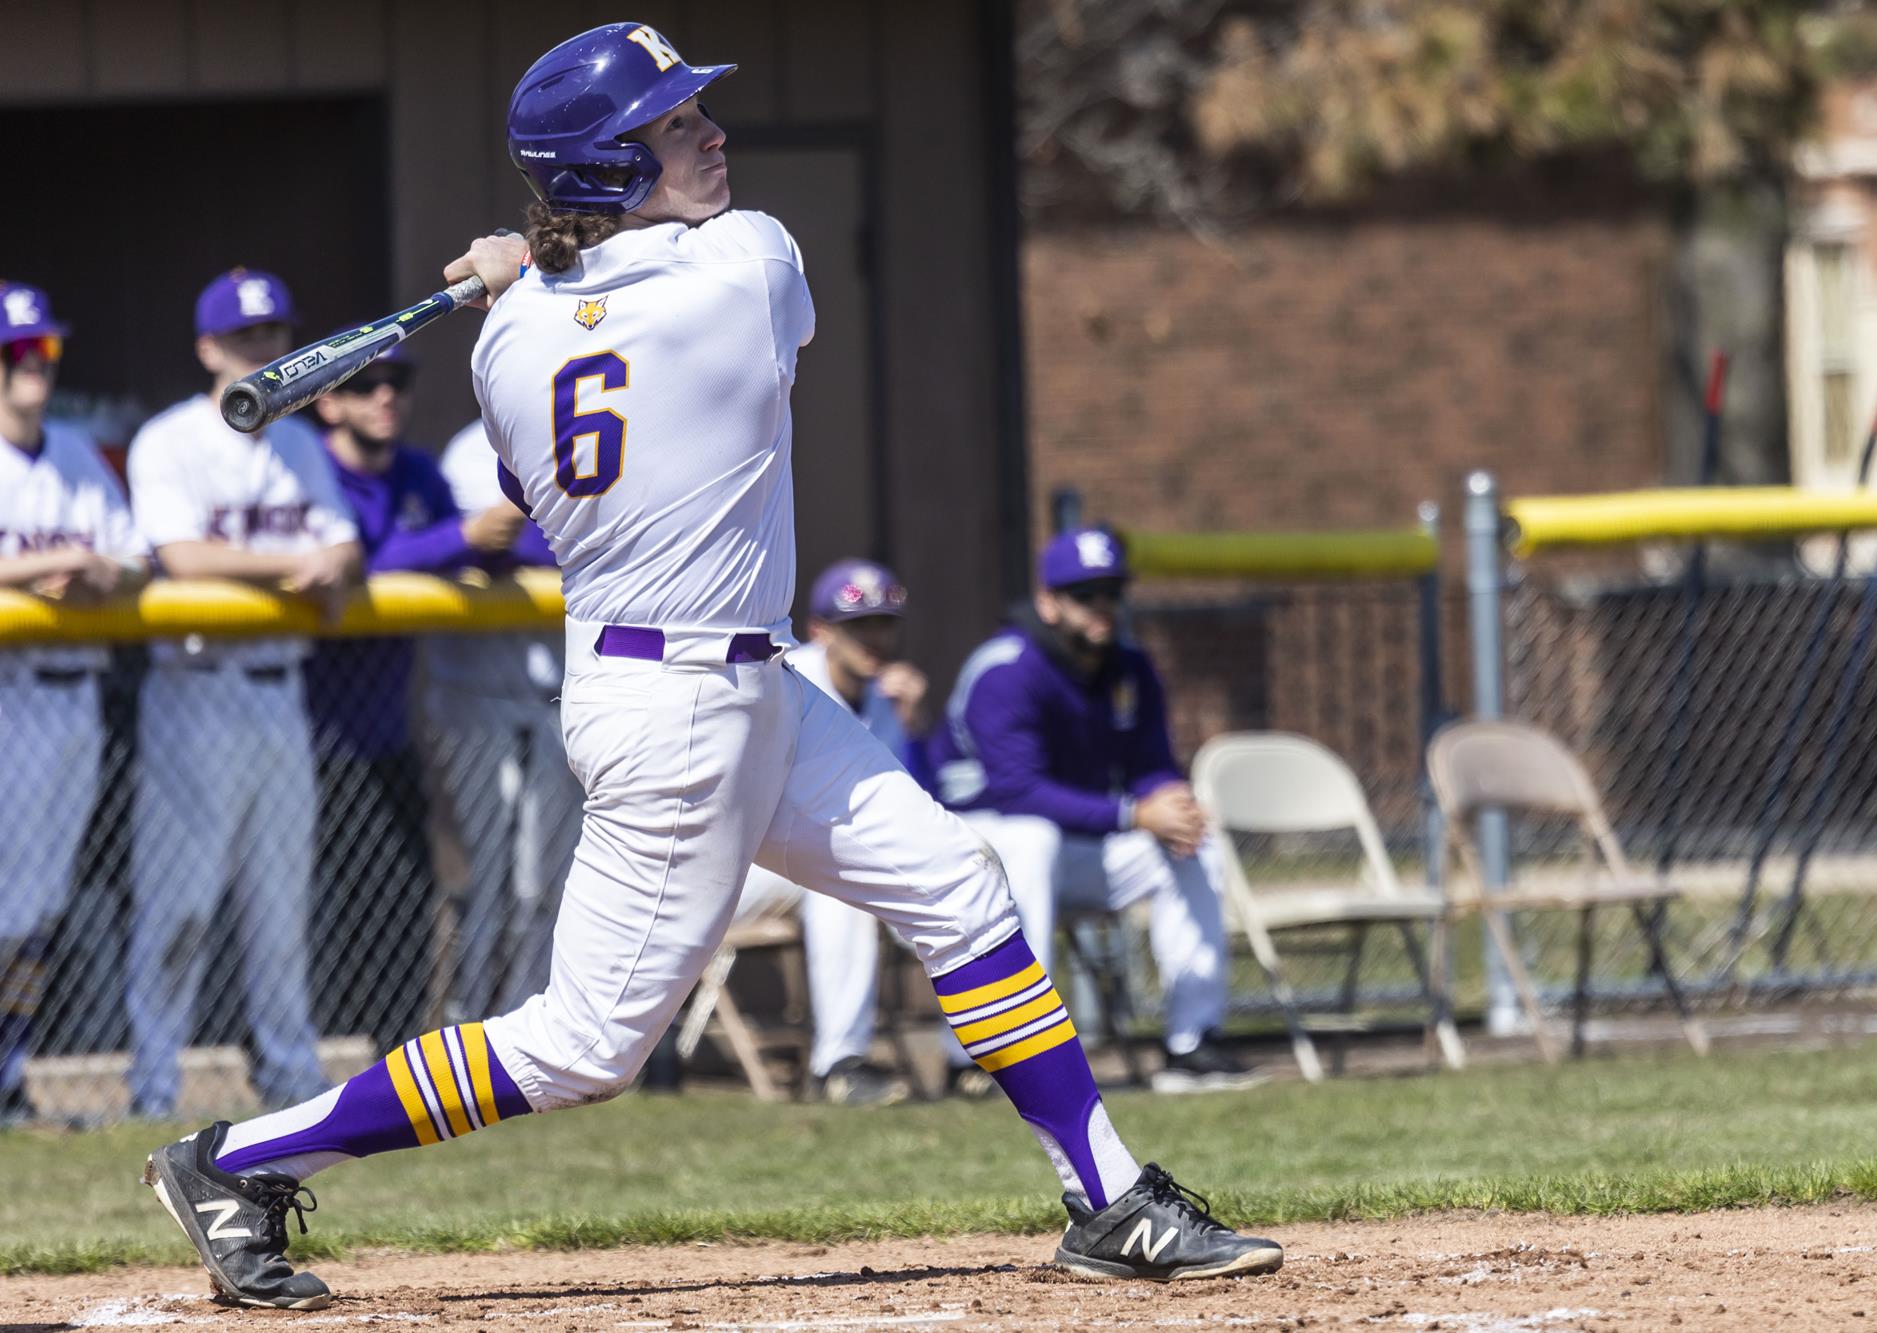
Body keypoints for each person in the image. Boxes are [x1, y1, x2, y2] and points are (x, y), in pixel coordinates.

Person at [139, 25, 1280, 1311]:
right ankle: (233, 1159)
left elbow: (537, 464)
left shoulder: (500, 346)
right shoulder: (749, 264)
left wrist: (530, 277)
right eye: (677, 127)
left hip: (744, 685)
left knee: (956, 885)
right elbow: (663, 315)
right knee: (582, 1046)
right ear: (610, 170)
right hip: (676, 713)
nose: (712, 136)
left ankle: (1105, 1197)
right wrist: (549, 266)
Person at [122, 268, 361, 1120]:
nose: (266, 349)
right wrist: (295, 569)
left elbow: (342, 548)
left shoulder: (299, 442)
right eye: (247, 337)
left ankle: (292, 1080)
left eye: (274, 334)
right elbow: (181, 557)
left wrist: (325, 563)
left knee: (279, 902)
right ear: (208, 348)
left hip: (277, 690)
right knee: (178, 904)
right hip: (195, 688)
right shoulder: (169, 439)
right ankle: (154, 1085)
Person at [928, 528, 1257, 1094]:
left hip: (1070, 839)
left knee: (1193, 846)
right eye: (1084, 594)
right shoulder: (1006, 668)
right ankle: (1013, 1052)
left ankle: (1194, 1041)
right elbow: (1018, 792)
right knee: (1034, 838)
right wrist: (1134, 814)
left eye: (1111, 591)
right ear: (1048, 602)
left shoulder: (1128, 668)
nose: (1102, 606)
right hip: (974, 843)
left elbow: (1149, 761)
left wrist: (1170, 802)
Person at [305, 349, 520, 1052]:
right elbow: (367, 561)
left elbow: (471, 553)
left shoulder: (418, 472)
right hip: (303, 728)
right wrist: (460, 536)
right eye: (365, 384)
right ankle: (296, 1061)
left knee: (401, 897)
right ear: (329, 401)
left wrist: (487, 542)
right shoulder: (313, 467)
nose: (385, 396)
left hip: (386, 731)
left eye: (397, 380)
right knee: (307, 912)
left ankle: (396, 1056)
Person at [0, 282, 147, 1121]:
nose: (35, 367)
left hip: (74, 696)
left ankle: (10, 1075)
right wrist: (38, 570)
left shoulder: (78, 453)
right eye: (19, 352)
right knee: (7, 901)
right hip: (9, 697)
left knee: (43, 900)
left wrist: (99, 571)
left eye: (45, 350)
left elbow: (134, 560)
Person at [730, 558, 929, 1107]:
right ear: (820, 631)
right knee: (842, 885)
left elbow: (910, 802)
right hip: (736, 862)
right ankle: (840, 1064)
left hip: (805, 860)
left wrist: (913, 727)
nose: (875, 638)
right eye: (857, 625)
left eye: (883, 623)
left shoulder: (886, 699)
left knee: (852, 879)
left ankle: (976, 1054)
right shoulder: (788, 677)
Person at [424, 417, 577, 1023]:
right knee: (486, 882)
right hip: (478, 698)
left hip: (557, 697)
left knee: (545, 882)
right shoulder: (470, 448)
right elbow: (482, 543)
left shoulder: (578, 427)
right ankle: (467, 1022)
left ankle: (532, 1018)